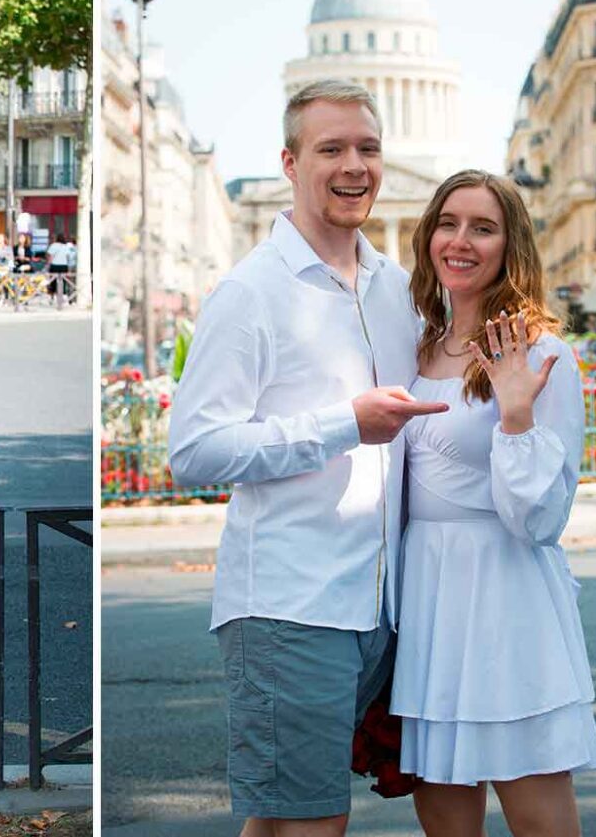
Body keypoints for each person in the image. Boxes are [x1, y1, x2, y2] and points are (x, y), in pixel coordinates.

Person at [168, 79, 448, 837]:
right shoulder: (251, 293)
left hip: (377, 605)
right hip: (291, 602)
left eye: (367, 147)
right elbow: (192, 449)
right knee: (313, 822)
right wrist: (340, 424)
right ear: (290, 162)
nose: (354, 165)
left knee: (284, 819)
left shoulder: (396, 288)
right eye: (332, 148)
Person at [391, 170, 596, 836]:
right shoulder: (415, 345)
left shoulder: (542, 354)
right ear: (428, 236)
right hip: (427, 605)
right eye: (449, 223)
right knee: (447, 823)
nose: (462, 240)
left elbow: (539, 520)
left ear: (511, 245)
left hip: (505, 602)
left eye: (483, 227)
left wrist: (514, 418)